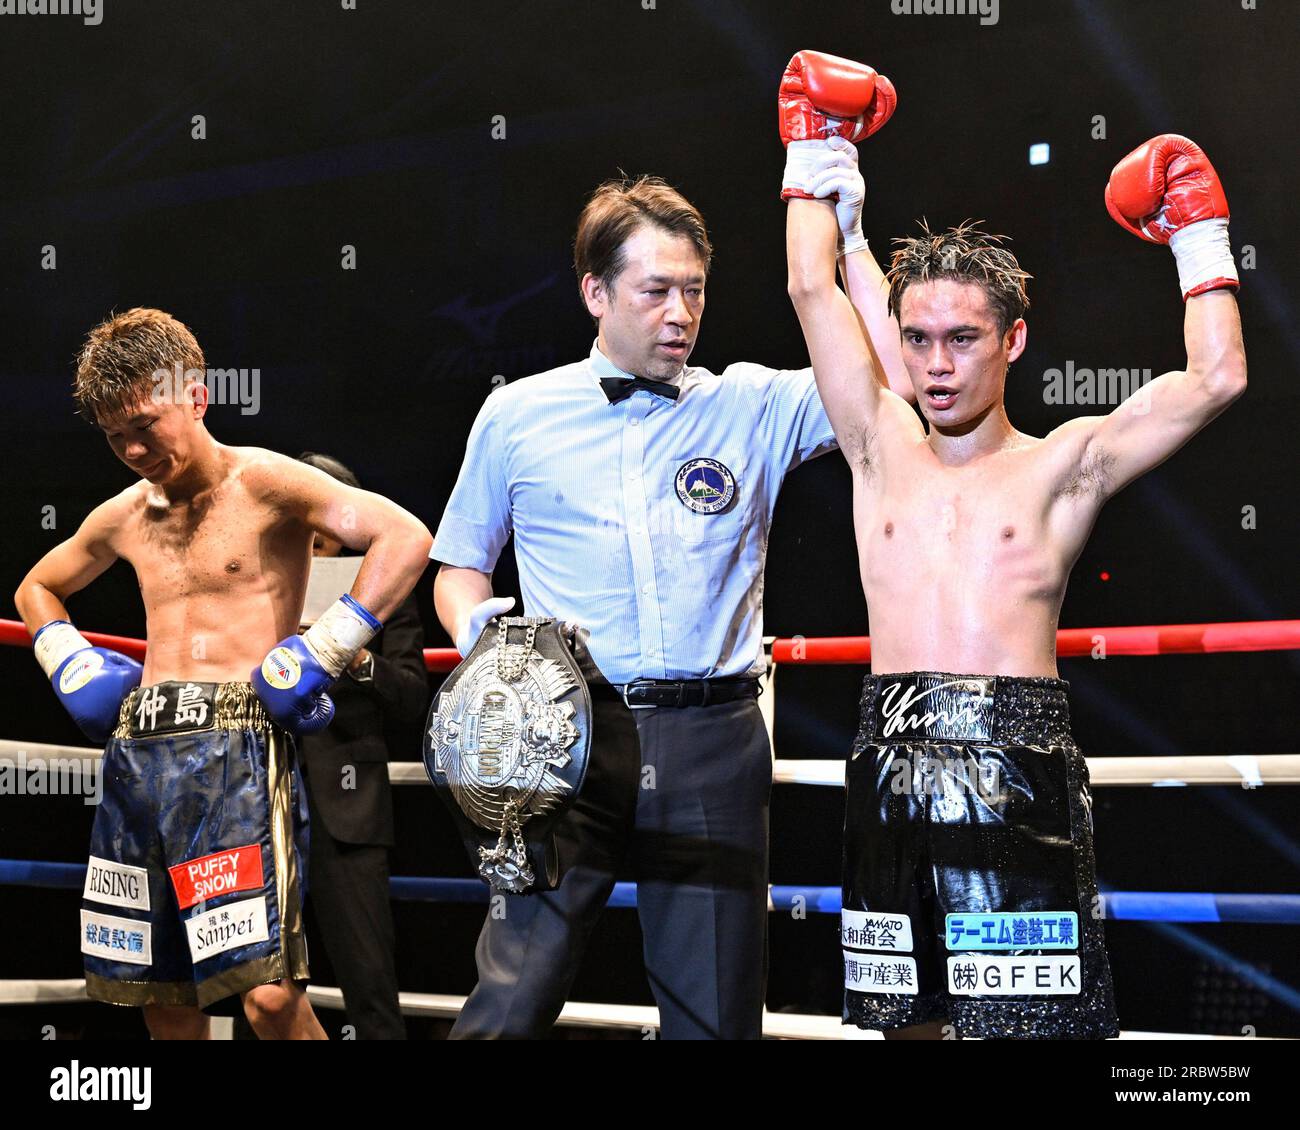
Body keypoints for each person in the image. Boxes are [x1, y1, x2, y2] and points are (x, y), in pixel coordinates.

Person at [781, 50, 1246, 1038]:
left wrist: (1196, 236)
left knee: (1030, 1030)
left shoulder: (1063, 465)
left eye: (962, 339)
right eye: (917, 339)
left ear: (1013, 342)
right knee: (904, 1022)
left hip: (1017, 755)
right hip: (888, 748)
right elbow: (810, 286)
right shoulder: (876, 444)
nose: (936, 364)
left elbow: (1213, 380)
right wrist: (813, 151)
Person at [431, 172, 905, 1039]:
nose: (681, 312)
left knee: (715, 1021)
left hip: (712, 739)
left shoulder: (753, 404)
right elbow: (458, 564)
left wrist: (852, 234)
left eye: (694, 290)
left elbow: (892, 371)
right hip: (560, 737)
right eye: (655, 291)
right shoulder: (515, 415)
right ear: (595, 293)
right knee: (508, 1007)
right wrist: (476, 630)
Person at [13, 309, 432, 1039]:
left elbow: (404, 536)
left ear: (196, 396)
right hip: (138, 759)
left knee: (268, 996)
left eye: (147, 423)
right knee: (163, 996)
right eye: (115, 436)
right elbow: (36, 589)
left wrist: (325, 645)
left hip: (236, 752)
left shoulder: (266, 481)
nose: (135, 448)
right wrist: (67, 656)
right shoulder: (121, 515)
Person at [295, 451, 428, 1040]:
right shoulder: (253, 583)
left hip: (347, 812)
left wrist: (354, 657)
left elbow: (411, 697)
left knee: (369, 985)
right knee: (261, 989)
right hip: (256, 798)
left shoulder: (383, 591)